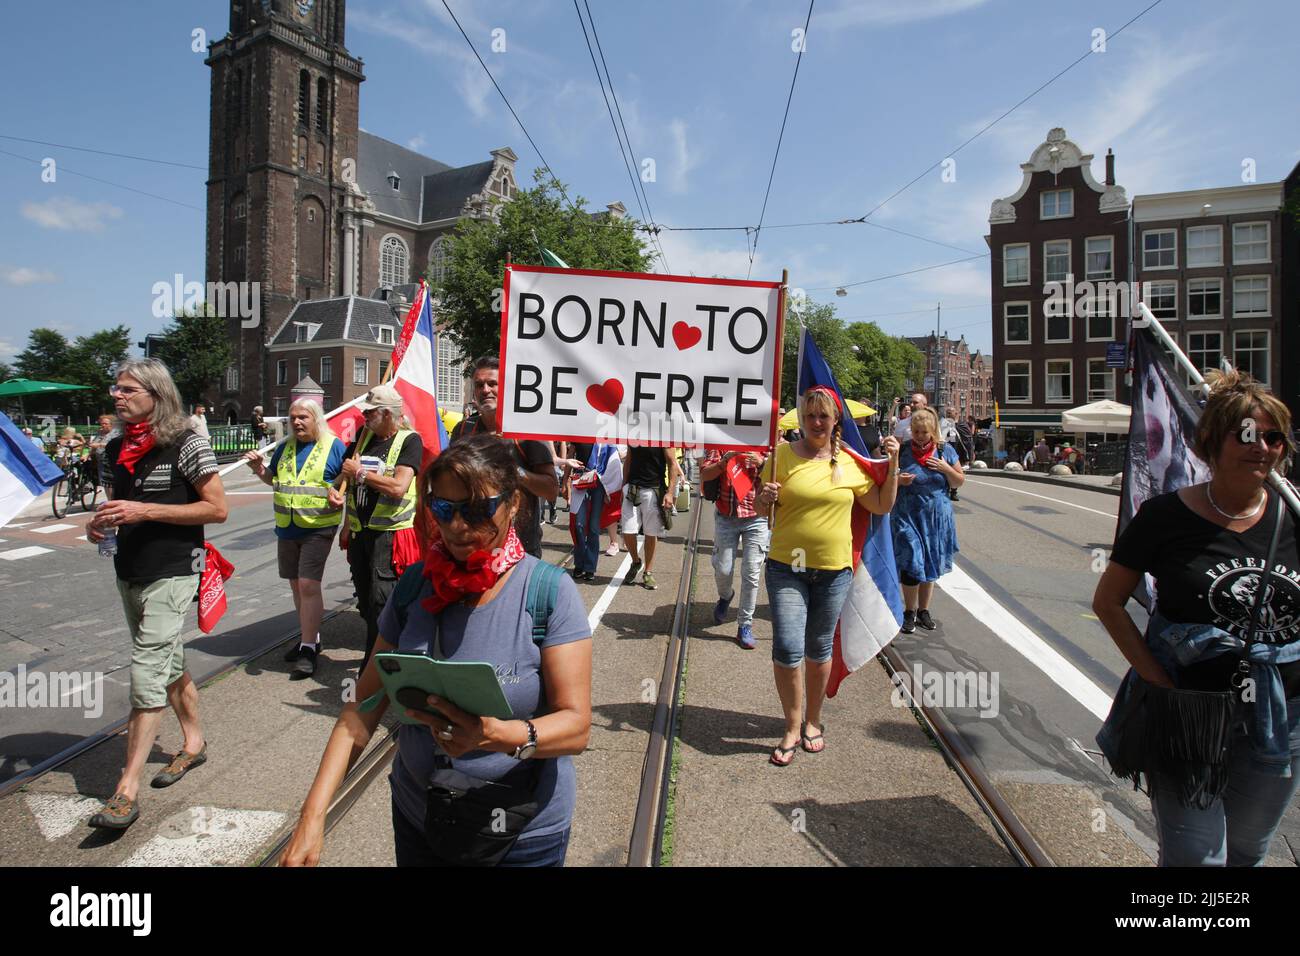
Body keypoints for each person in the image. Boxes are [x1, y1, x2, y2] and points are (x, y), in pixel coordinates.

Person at [282, 434, 593, 867]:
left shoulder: (548, 592)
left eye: (477, 509)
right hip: (421, 815)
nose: (457, 527)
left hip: (520, 829)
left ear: (515, 504)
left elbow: (576, 728)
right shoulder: (414, 586)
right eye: (443, 509)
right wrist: (312, 817)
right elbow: (362, 708)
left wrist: (496, 736)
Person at [1093, 370, 1299, 867]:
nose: (1262, 447)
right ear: (1211, 442)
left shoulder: (1293, 515)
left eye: (1274, 437)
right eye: (1247, 434)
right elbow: (1109, 601)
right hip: (1191, 716)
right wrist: (1156, 679)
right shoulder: (1165, 516)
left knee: (1248, 852)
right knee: (1196, 858)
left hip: (1280, 718)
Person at [84, 358, 228, 829]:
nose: (117, 396)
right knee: (166, 661)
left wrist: (145, 511)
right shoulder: (112, 448)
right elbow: (113, 511)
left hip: (174, 572)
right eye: (116, 388)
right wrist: (97, 527)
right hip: (129, 571)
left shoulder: (187, 442)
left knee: (147, 669)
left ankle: (126, 789)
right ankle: (193, 742)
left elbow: (217, 509)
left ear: (156, 395)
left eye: (128, 390)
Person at [756, 387, 900, 766]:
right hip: (787, 566)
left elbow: (882, 505)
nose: (816, 422)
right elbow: (758, 509)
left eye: (823, 416)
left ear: (836, 420)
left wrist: (894, 464)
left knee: (819, 648)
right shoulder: (780, 457)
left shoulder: (850, 462)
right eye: (810, 416)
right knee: (787, 646)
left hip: (834, 571)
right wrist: (764, 498)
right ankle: (791, 725)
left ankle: (813, 721)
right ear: (801, 419)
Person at [243, 398, 347, 677]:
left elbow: (345, 481)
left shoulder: (333, 446)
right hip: (287, 527)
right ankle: (309, 638)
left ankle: (308, 649)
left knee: (308, 586)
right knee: (296, 588)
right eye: (293, 418)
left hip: (318, 527)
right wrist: (258, 469)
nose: (297, 423)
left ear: (316, 419)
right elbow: (273, 478)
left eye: (303, 417)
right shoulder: (285, 447)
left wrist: (340, 495)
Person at [330, 384, 423, 672]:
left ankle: (377, 666)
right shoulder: (362, 438)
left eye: (370, 413)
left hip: (390, 536)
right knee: (365, 600)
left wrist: (360, 473)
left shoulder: (410, 441)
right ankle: (380, 655)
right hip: (361, 534)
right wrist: (336, 494)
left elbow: (398, 487)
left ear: (387, 414)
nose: (364, 417)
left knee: (383, 600)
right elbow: (344, 479)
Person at [450, 356, 557, 558]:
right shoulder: (463, 430)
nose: (485, 390)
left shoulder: (527, 432)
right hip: (474, 545)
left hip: (520, 549)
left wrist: (515, 471)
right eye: (479, 385)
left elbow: (551, 490)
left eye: (492, 383)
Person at [891, 407, 963, 634]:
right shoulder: (902, 451)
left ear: (933, 431)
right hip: (907, 514)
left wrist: (945, 468)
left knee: (929, 562)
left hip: (935, 517)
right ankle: (909, 611)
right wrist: (898, 481)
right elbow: (885, 478)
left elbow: (959, 481)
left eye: (924, 432)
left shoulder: (945, 451)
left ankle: (924, 609)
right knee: (912, 558)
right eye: (917, 431)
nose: (920, 436)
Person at [700, 446, 769, 649]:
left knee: (751, 572)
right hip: (726, 516)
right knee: (723, 569)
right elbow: (704, 474)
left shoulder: (767, 439)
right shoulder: (722, 440)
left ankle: (745, 625)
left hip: (757, 518)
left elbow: (783, 471)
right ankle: (725, 596)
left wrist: (763, 463)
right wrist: (723, 463)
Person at [621, 443, 682, 590]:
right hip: (632, 489)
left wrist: (669, 492)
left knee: (651, 533)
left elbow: (672, 463)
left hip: (653, 489)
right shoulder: (634, 433)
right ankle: (636, 561)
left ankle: (648, 571)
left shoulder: (664, 434)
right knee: (627, 531)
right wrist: (623, 486)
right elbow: (629, 459)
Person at [566, 442, 623, 581]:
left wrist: (609, 488)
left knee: (593, 526)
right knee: (578, 525)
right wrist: (565, 482)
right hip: (580, 480)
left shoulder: (605, 435)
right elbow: (570, 456)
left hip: (599, 484)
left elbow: (614, 461)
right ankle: (579, 563)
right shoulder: (580, 433)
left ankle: (590, 567)